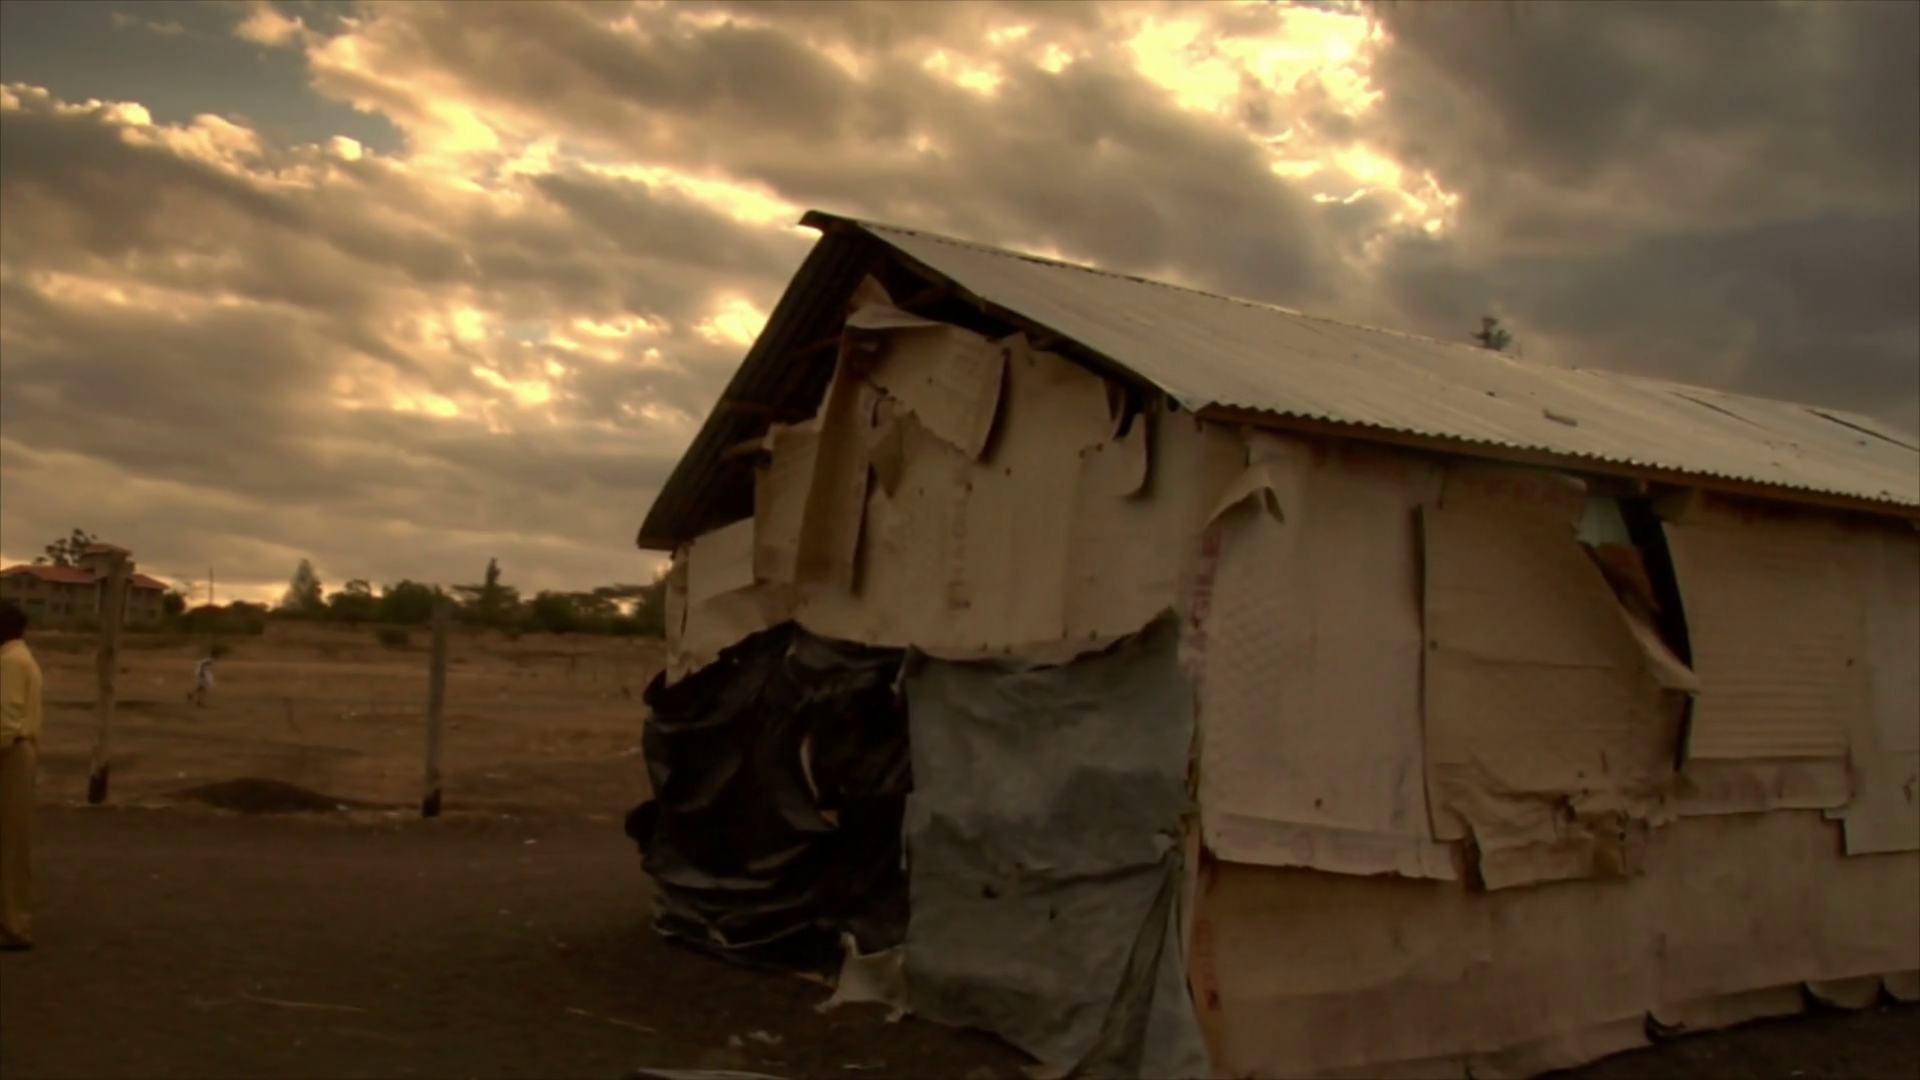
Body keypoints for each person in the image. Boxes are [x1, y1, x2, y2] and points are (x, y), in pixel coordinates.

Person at [1, 599, 44, 952]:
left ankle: (13, 926)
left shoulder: (10, 663)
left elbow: (5, 722)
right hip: (18, 750)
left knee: (9, 842)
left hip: (9, 753)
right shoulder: (20, 658)